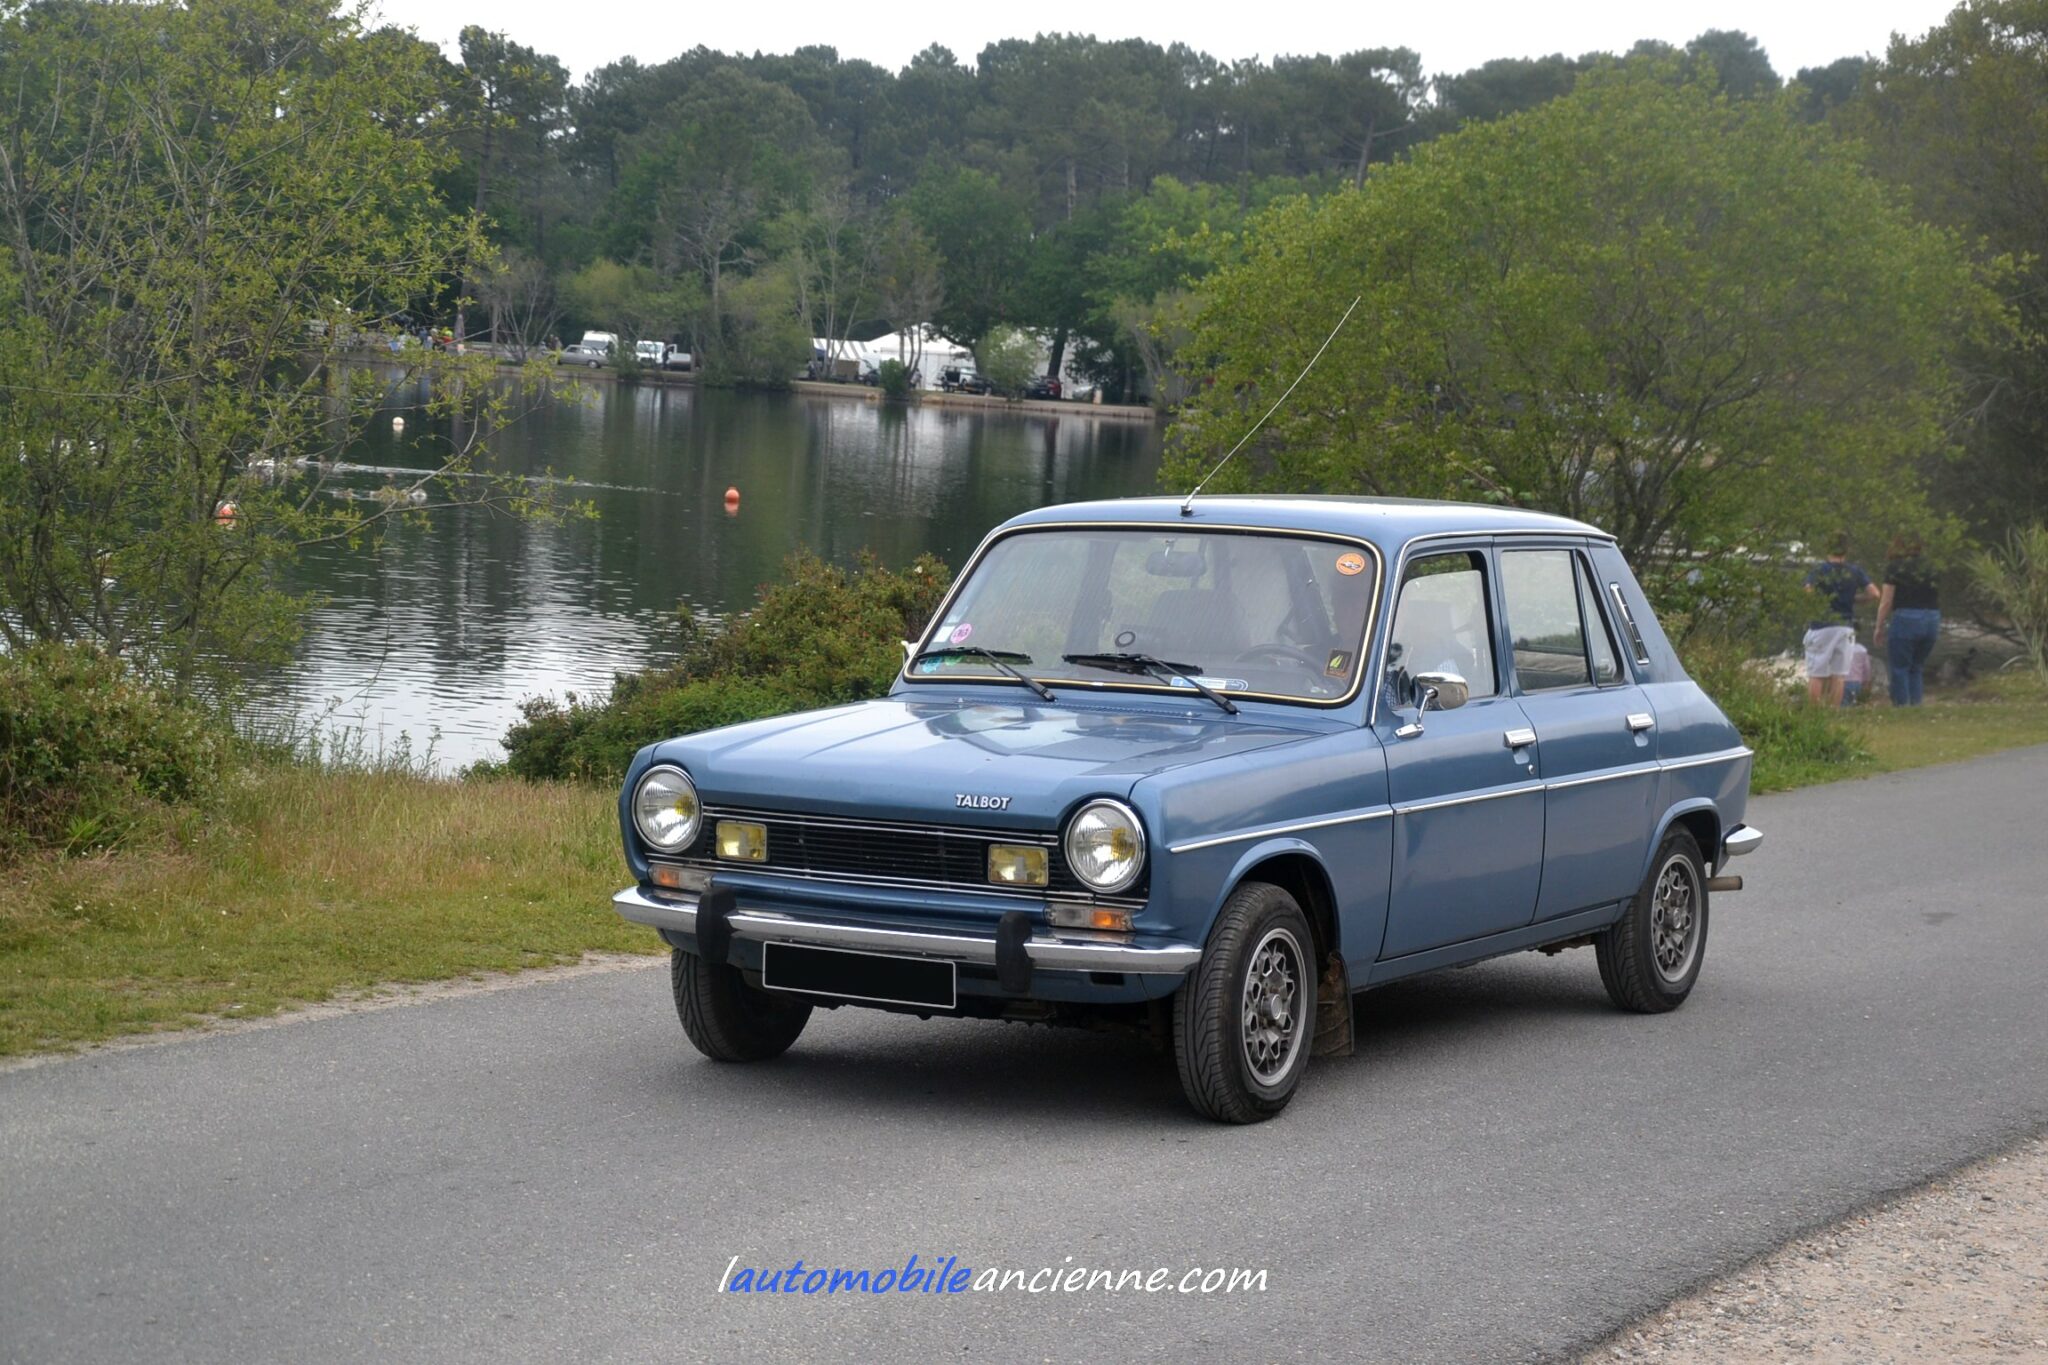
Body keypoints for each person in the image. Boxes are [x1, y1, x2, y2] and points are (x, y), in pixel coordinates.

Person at [1802, 534, 1878, 707]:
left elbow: (1808, 590)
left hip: (1821, 625)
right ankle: (1834, 712)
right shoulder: (1854, 571)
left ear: (1827, 548)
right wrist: (1854, 599)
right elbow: (1874, 593)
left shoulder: (1820, 570)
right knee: (1839, 675)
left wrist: (1819, 602)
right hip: (1845, 627)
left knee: (1816, 674)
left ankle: (1814, 714)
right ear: (1847, 550)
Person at [1874, 535, 1941, 706]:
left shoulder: (1896, 567)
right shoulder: (1931, 567)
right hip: (1932, 618)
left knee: (1900, 668)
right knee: (1916, 666)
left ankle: (1901, 706)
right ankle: (1916, 704)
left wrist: (1879, 626)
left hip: (1907, 617)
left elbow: (1887, 601)